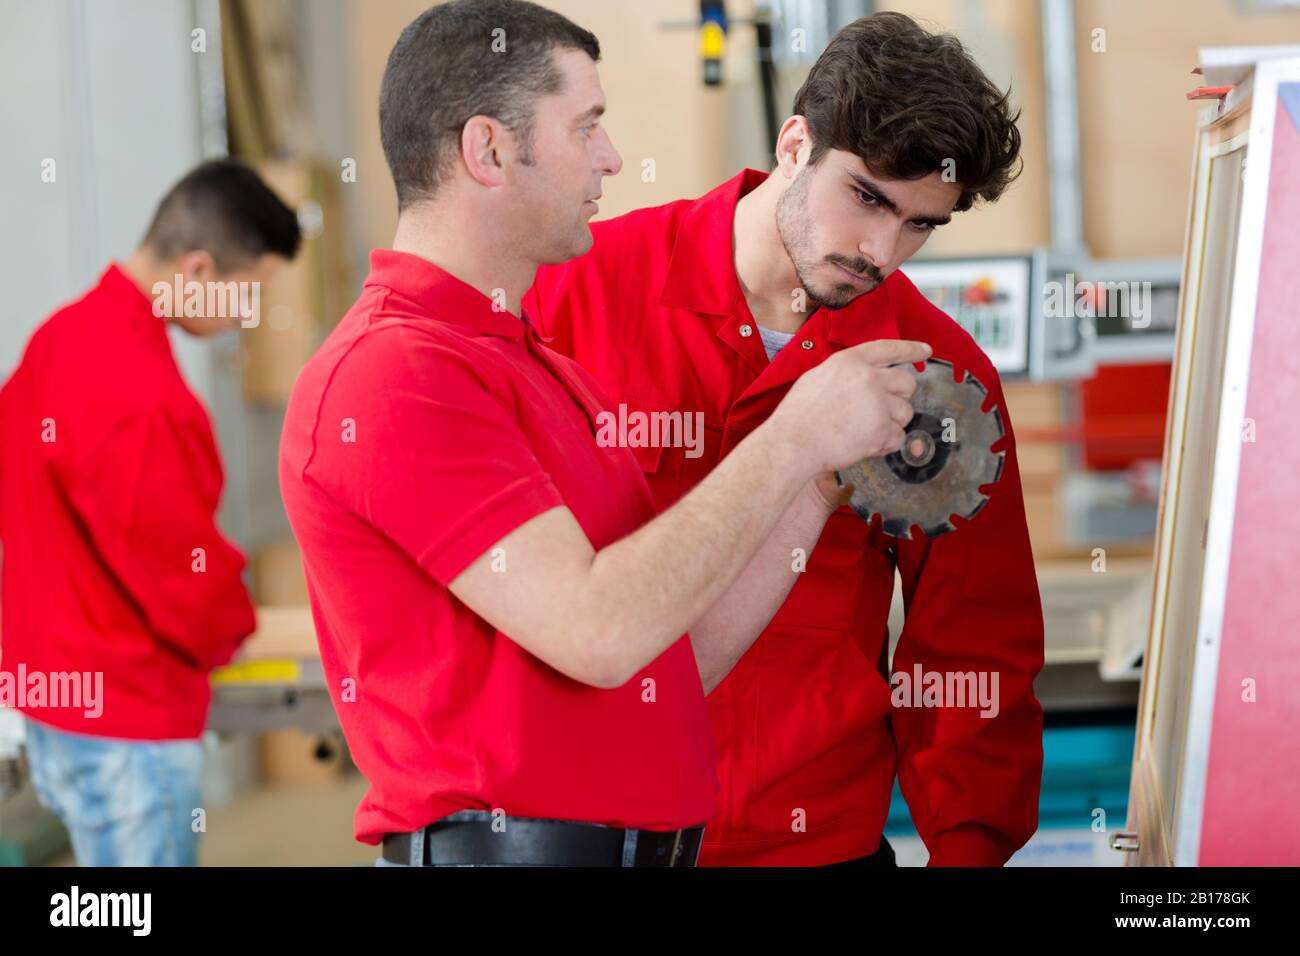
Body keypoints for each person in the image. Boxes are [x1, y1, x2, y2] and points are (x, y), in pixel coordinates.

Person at [278, 0, 929, 868]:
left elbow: (670, 656)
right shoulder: (396, 374)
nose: (613, 158)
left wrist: (817, 480)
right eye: (587, 127)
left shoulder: (538, 366)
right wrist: (795, 436)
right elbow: (598, 631)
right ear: (490, 150)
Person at [525, 11, 1045, 866]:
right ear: (795, 142)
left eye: (921, 224)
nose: (882, 249)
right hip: (594, 831)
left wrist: (969, 850)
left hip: (814, 845)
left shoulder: (940, 376)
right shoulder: (571, 299)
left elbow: (973, 646)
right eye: (868, 198)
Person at [0, 159, 301, 865]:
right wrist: (235, 624)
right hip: (126, 723)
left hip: (55, 702)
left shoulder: (61, 336)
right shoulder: (140, 392)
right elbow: (179, 577)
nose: (247, 320)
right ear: (195, 270)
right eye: (247, 295)